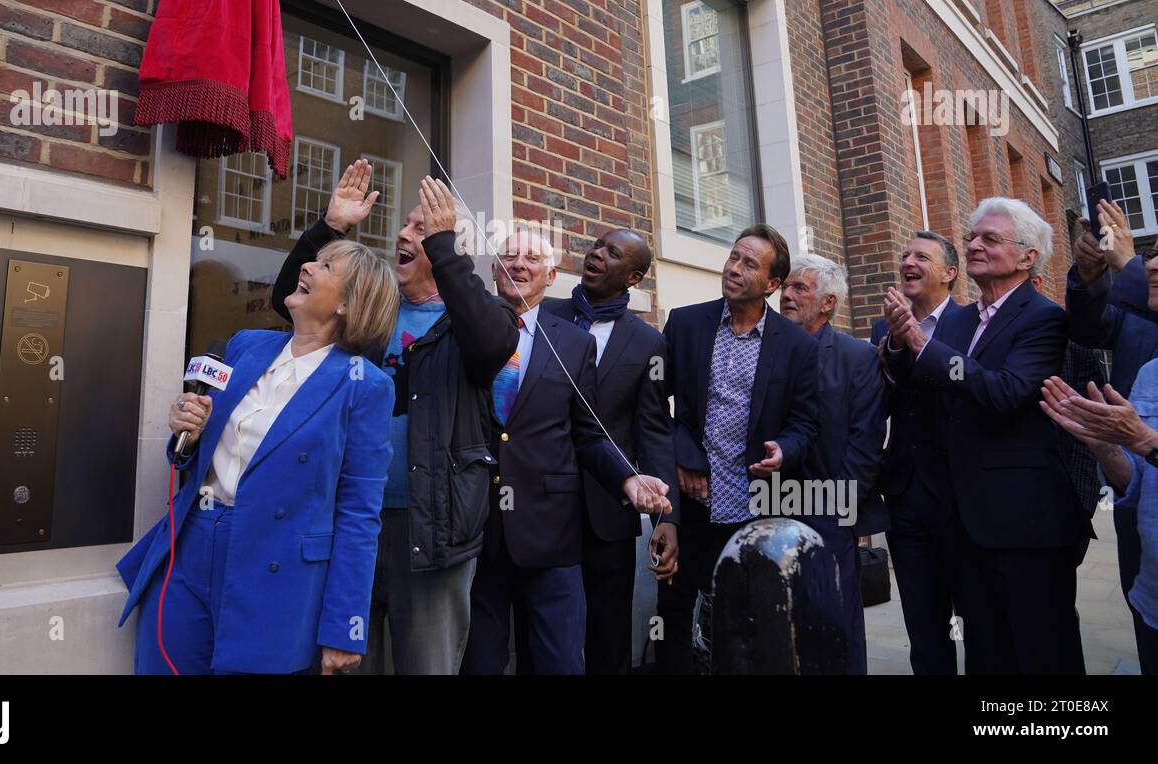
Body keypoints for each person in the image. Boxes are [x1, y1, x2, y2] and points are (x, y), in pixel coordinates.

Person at [269, 162, 519, 675]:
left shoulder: (478, 317)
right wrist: (331, 229)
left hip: (432, 524)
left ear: (451, 247)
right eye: (405, 225)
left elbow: (493, 344)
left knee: (424, 664)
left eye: (421, 228)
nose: (404, 234)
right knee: (344, 662)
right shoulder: (375, 305)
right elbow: (289, 302)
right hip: (347, 519)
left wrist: (445, 244)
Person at [116, 239, 400, 674]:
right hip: (191, 543)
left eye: (325, 266)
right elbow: (192, 456)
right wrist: (188, 432)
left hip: (278, 568)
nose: (307, 266)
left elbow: (359, 514)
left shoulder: (365, 386)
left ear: (348, 303)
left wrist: (345, 627)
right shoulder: (247, 346)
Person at [881, 197, 1086, 674]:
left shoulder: (1042, 317)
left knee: (1040, 654)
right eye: (972, 236)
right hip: (966, 524)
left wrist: (920, 343)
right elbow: (926, 389)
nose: (973, 244)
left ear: (1027, 257)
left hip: (1025, 524)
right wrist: (898, 344)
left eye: (989, 239)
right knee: (988, 655)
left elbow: (1005, 392)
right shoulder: (964, 319)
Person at [460, 231, 673, 675]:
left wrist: (653, 505)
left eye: (613, 253)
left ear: (633, 277)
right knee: (510, 642)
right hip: (518, 505)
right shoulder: (536, 314)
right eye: (597, 246)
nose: (597, 254)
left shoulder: (646, 341)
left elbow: (647, 429)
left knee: (599, 639)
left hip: (602, 508)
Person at [657, 224, 819, 675]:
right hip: (691, 502)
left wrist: (784, 452)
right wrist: (682, 454)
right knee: (672, 611)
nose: (734, 268)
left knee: (745, 618)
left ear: (771, 284)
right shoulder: (686, 323)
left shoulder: (797, 346)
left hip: (755, 505)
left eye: (750, 263)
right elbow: (655, 407)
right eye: (734, 256)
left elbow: (805, 424)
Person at [780, 252, 885, 674]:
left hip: (829, 506)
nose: (786, 295)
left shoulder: (856, 357)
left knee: (835, 618)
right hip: (770, 501)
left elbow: (867, 439)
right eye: (785, 287)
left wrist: (842, 507)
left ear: (827, 302)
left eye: (798, 288)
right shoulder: (768, 348)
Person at [1066, 202, 1158, 671]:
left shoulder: (1138, 279)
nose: (1152, 262)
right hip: (1139, 506)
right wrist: (1090, 273)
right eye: (1151, 253)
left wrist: (1126, 265)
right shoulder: (1138, 313)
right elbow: (1088, 328)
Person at [870, 231, 967, 674]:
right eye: (905, 255)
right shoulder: (881, 327)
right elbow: (881, 403)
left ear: (949, 273)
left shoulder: (970, 324)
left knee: (977, 621)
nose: (908, 261)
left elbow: (962, 391)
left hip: (963, 497)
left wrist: (914, 338)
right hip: (906, 496)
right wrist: (894, 341)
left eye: (921, 257)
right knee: (924, 627)